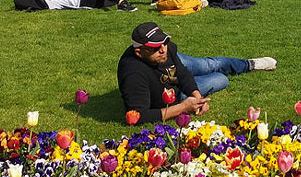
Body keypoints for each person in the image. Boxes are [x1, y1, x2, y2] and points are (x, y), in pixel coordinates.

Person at [118, 21, 276, 124]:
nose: (163, 49)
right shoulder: (133, 74)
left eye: (165, 42)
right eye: (155, 47)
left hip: (174, 75)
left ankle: (249, 64)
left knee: (209, 65)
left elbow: (182, 73)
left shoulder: (165, 51)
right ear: (139, 52)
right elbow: (139, 116)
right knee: (221, 79)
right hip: (175, 96)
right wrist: (183, 107)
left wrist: (198, 97)